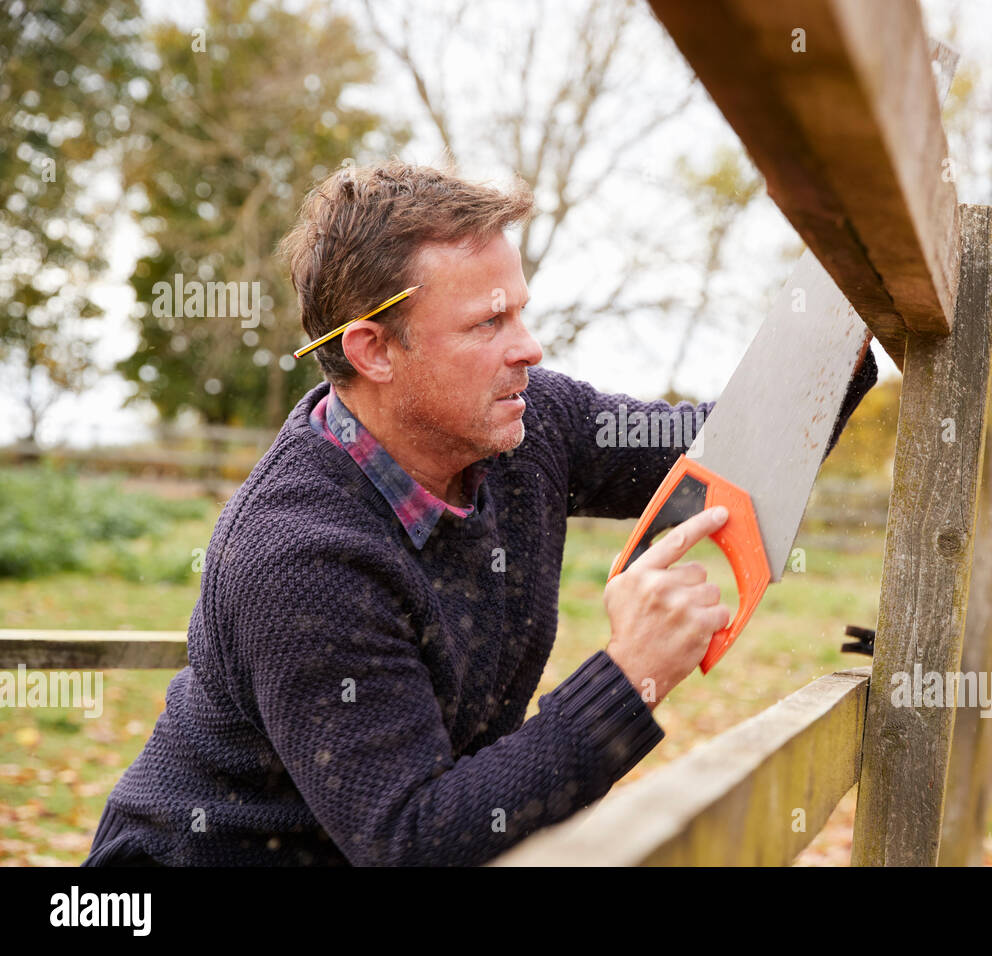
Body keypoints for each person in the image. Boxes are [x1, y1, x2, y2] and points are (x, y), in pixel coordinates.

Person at [83, 159, 878, 866]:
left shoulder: (533, 425)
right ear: (374, 350)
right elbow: (414, 840)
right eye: (489, 322)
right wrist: (630, 677)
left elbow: (723, 450)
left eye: (521, 312)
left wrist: (844, 309)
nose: (529, 347)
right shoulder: (301, 556)